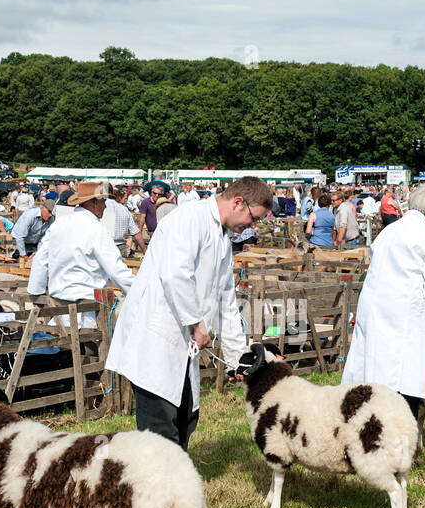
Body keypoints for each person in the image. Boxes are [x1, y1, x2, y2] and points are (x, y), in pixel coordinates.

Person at [105, 176, 271, 451]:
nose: (251, 226)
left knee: (185, 418)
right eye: (254, 218)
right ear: (239, 202)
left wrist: (236, 358)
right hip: (156, 338)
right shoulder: (189, 219)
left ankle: (175, 487)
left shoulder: (222, 237)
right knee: (160, 426)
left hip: (183, 343)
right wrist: (197, 324)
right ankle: (159, 489)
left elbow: (225, 300)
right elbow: (175, 275)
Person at [341, 184, 425, 419]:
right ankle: (402, 437)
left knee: (374, 367)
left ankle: (367, 425)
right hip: (406, 311)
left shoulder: (388, 231)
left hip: (376, 307)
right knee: (406, 375)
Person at [27, 181, 136, 331]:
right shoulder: (96, 229)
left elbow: (40, 259)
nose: (105, 206)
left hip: (59, 306)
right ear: (93, 203)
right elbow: (116, 269)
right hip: (87, 309)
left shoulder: (59, 224)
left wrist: (36, 293)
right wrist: (140, 290)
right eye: (103, 201)